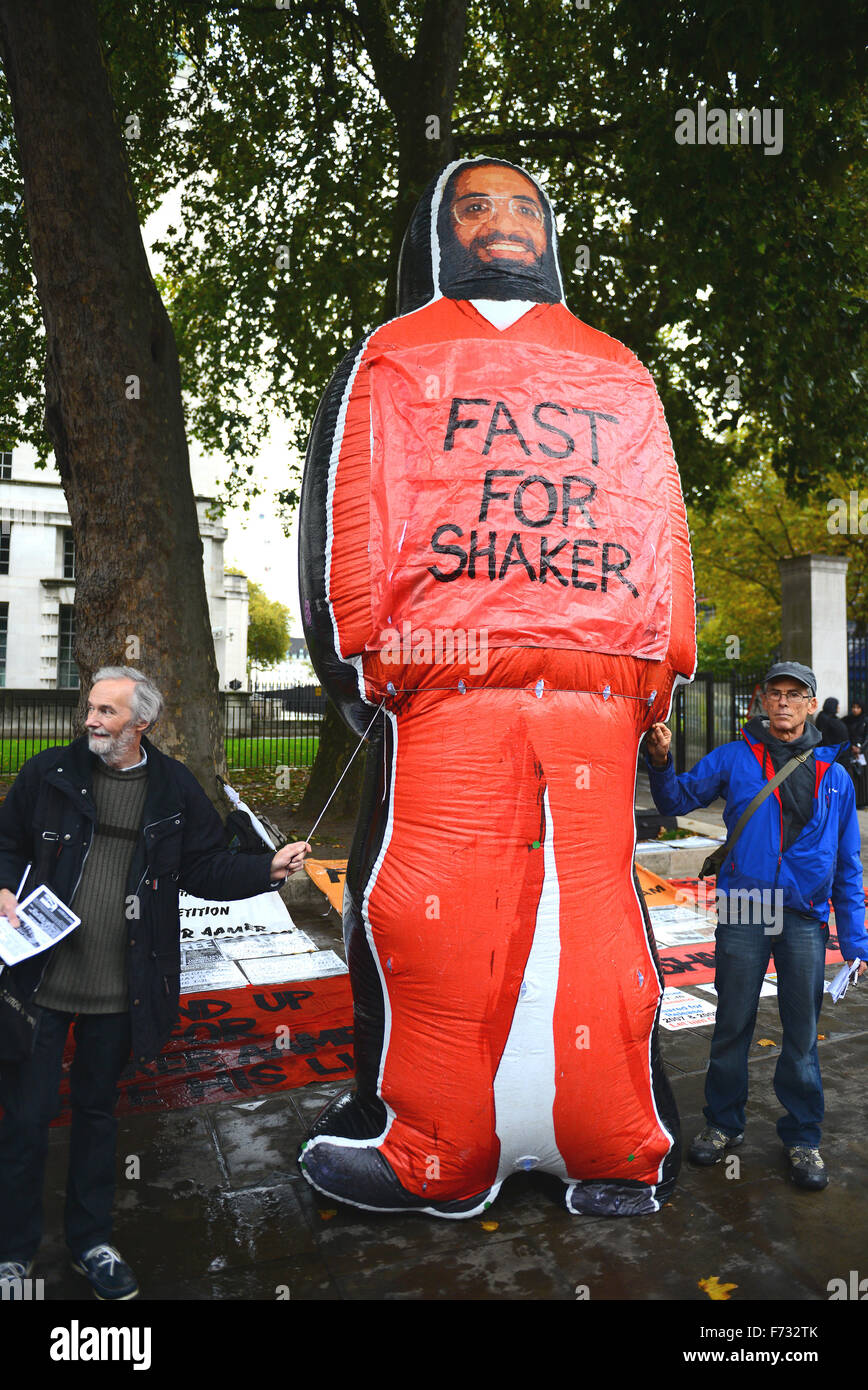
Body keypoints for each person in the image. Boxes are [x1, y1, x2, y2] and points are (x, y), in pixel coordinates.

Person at [297, 157, 696, 1218]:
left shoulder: (613, 367)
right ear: (442, 228)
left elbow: (658, 524)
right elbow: (349, 511)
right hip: (445, 692)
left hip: (595, 694)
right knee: (427, 916)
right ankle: (435, 1143)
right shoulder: (392, 355)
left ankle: (614, 1144)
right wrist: (356, 661)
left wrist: (660, 668)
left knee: (599, 918)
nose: (504, 223)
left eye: (523, 206)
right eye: (478, 206)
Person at [0, 666, 310, 1298]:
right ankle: (12, 1251)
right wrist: (3, 884)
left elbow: (204, 867)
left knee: (95, 1114)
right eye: (90, 708)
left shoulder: (172, 787)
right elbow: (6, 842)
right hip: (39, 981)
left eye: (107, 713)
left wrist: (266, 870)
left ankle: (93, 1243)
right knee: (25, 1121)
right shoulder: (48, 774)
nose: (91, 720)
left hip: (123, 985)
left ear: (141, 723)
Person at [645, 661, 868, 1191]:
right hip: (746, 904)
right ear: (762, 701)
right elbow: (675, 802)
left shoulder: (834, 776)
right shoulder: (733, 758)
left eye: (796, 695)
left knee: (800, 1033)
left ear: (812, 704)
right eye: (776, 694)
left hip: (805, 915)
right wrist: (659, 761)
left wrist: (857, 941)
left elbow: (848, 865)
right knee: (733, 1022)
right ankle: (724, 1124)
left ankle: (803, 1136)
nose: (785, 703)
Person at [844, 697, 868, 808]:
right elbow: (844, 734)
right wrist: (850, 746)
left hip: (862, 752)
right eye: (853, 707)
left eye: (857, 707)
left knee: (862, 776)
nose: (855, 709)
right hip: (850, 750)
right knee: (853, 775)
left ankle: (863, 801)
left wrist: (861, 748)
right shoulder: (847, 720)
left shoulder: (865, 720)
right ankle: (855, 801)